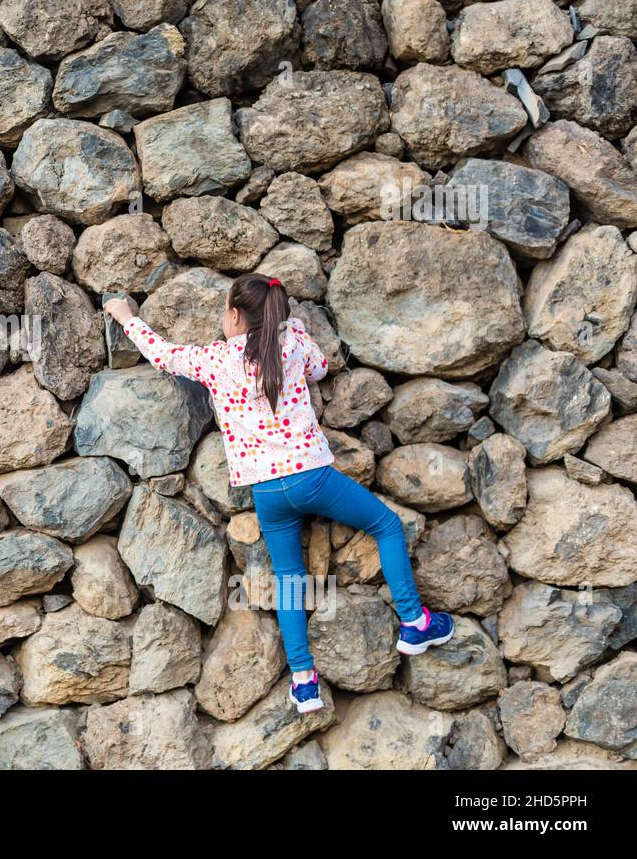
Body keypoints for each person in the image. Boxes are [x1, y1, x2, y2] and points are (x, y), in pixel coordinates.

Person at [103, 273, 453, 714]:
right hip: (313, 478)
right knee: (385, 525)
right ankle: (414, 622)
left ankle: (304, 682)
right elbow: (322, 368)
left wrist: (126, 316)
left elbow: (163, 355)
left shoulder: (215, 360)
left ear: (233, 315)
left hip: (267, 491)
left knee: (289, 580)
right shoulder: (292, 347)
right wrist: (300, 331)